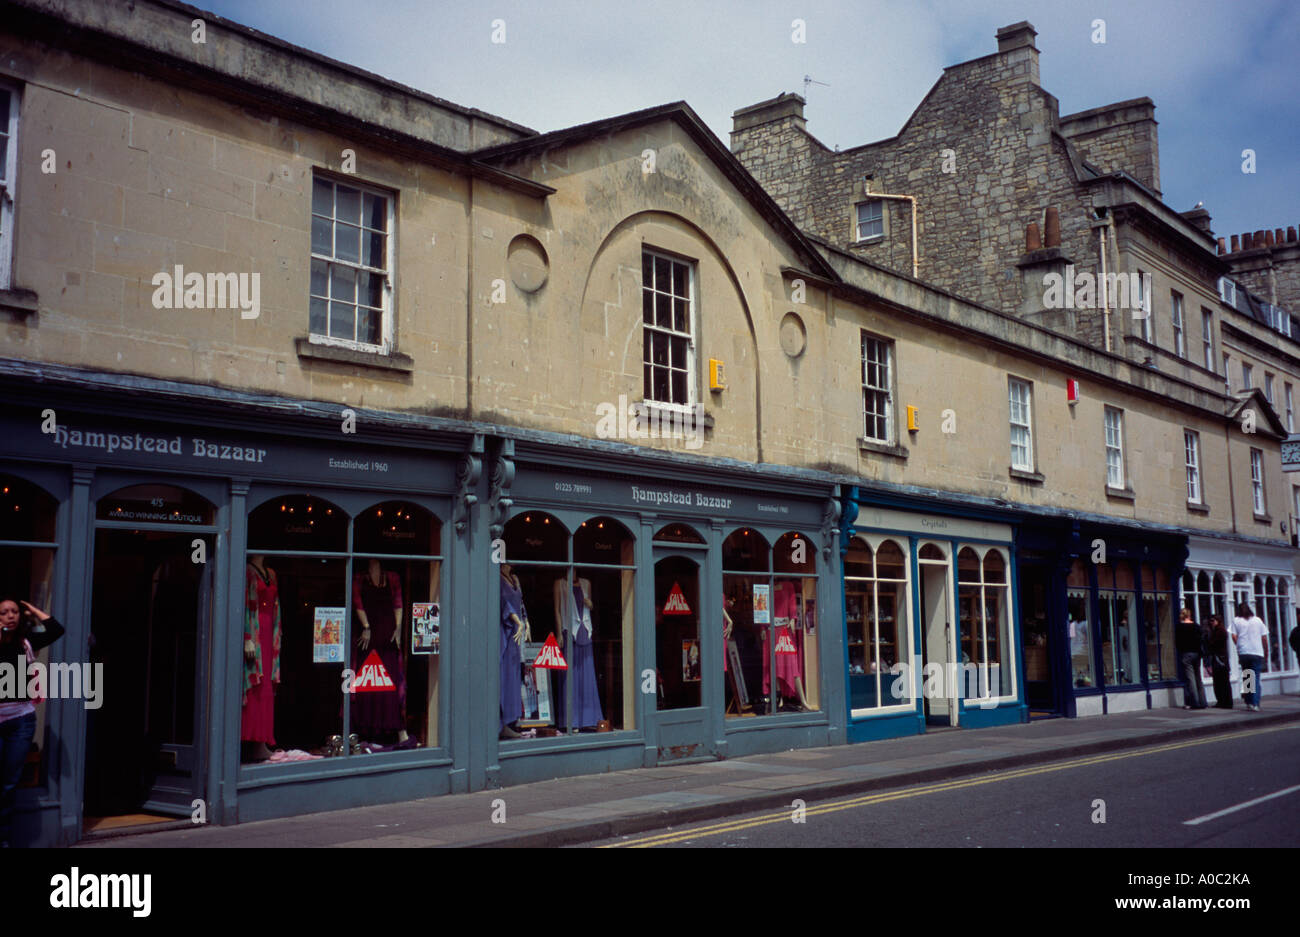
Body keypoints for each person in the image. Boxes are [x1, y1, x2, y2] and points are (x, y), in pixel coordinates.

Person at [0, 597, 65, 848]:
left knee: (8, 782)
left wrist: (33, 610)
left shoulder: (26, 642)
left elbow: (57, 629)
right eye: (4, 612)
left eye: (15, 611)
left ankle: (4, 838)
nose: (10, 616)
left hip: (20, 721)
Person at [1230, 603, 1268, 711]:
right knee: (1255, 677)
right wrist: (1266, 650)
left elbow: (1233, 635)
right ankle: (1255, 703)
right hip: (1256, 652)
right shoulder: (1258, 620)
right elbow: (1264, 638)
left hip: (1243, 652)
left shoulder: (1236, 620)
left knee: (1247, 676)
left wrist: (1239, 645)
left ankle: (1249, 702)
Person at [1175, 607, 1207, 709]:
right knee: (1198, 677)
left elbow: (1177, 642)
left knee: (1191, 678)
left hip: (1186, 653)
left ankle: (1195, 702)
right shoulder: (1196, 626)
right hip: (1196, 653)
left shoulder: (1180, 627)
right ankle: (1251, 701)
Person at [1205, 614, 1233, 709]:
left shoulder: (1220, 631)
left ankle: (1251, 700)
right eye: (1210, 621)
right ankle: (1251, 701)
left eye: (1213, 621)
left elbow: (1213, 644)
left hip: (1222, 659)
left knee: (1222, 681)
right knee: (1219, 681)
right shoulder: (1217, 631)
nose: (1211, 623)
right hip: (1249, 654)